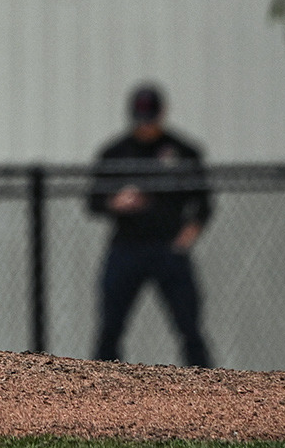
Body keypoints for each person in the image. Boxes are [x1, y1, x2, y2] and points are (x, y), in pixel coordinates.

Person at [86, 83, 213, 367]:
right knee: (110, 327)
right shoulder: (115, 152)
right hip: (126, 248)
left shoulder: (182, 151)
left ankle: (208, 389)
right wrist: (116, 202)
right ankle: (101, 390)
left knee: (189, 327)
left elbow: (204, 205)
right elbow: (92, 202)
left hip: (169, 249)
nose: (145, 126)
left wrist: (188, 235)